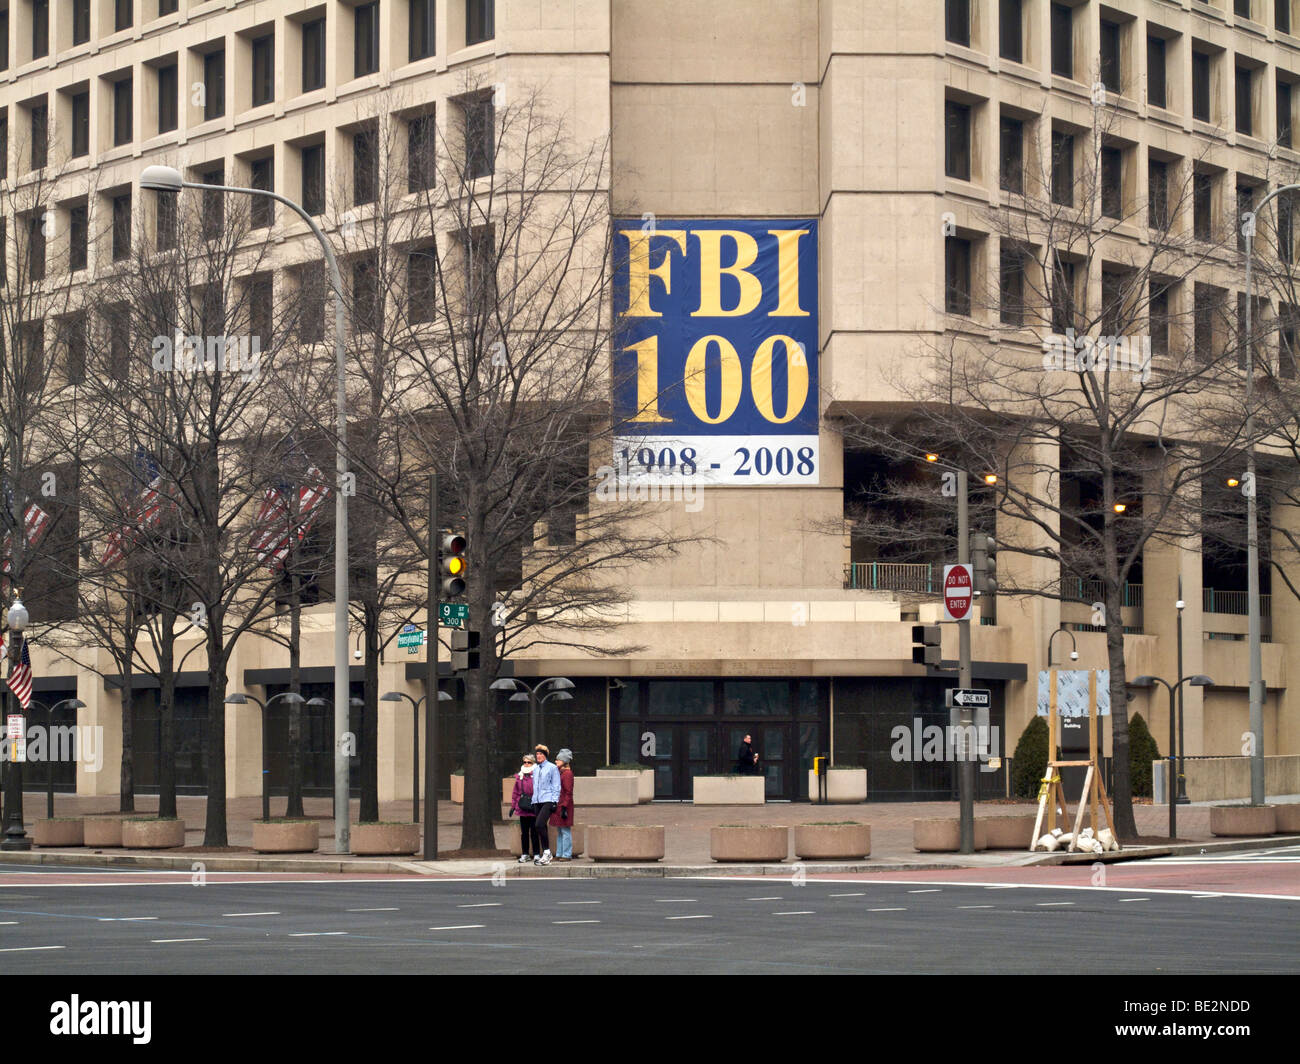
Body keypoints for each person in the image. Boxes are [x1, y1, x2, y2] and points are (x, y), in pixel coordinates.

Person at [530, 744, 560, 865]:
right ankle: (546, 853)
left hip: (548, 799)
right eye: (537, 754)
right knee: (541, 827)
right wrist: (533, 800)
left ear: (545, 756)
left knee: (539, 824)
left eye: (541, 754)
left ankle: (547, 852)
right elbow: (534, 786)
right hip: (537, 800)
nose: (539, 756)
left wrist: (554, 801)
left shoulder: (552, 768)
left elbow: (556, 785)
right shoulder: (535, 769)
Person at [508, 754, 537, 863]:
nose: (526, 764)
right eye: (524, 762)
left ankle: (536, 854)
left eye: (529, 762)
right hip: (523, 807)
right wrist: (513, 806)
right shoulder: (519, 776)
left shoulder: (537, 775)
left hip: (533, 807)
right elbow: (516, 793)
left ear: (533, 763)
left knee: (534, 832)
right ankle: (525, 854)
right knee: (524, 833)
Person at [550, 749, 576, 860]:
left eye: (558, 759)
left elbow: (568, 792)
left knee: (564, 830)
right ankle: (560, 853)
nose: (556, 761)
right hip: (560, 805)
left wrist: (564, 806)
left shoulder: (567, 774)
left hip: (563, 806)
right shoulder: (561, 772)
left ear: (564, 761)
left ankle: (566, 854)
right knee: (560, 830)